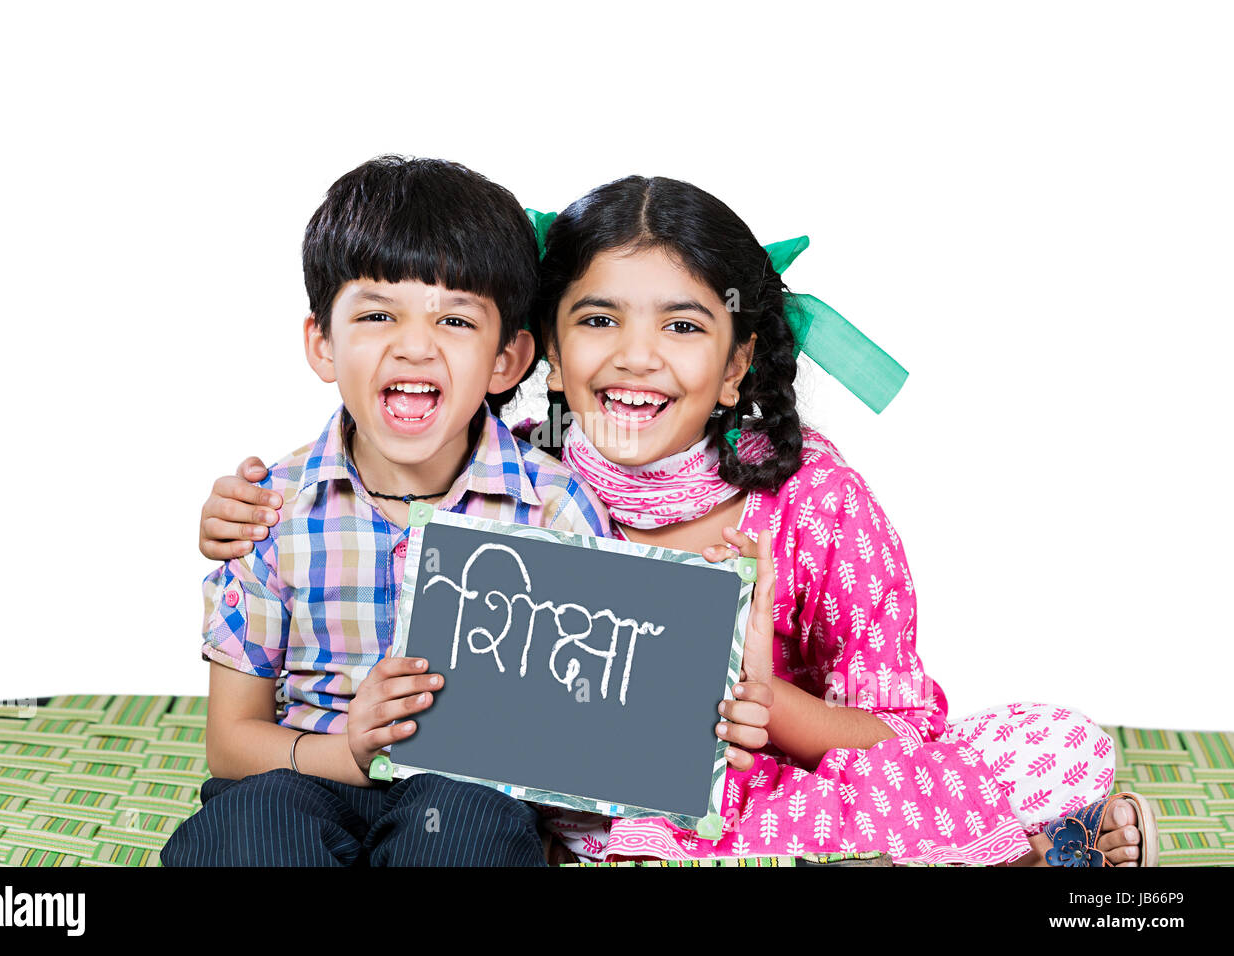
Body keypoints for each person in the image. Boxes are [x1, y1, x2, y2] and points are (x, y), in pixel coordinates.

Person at [199, 174, 1157, 867]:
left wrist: (763, 700)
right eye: (600, 319)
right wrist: (240, 509)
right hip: (561, 813)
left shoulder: (815, 502)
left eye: (685, 326)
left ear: (738, 366)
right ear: (542, 349)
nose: (637, 358)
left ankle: (1049, 849)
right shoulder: (514, 470)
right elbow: (379, 465)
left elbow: (902, 735)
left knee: (1054, 742)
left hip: (772, 789)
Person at [162, 155, 612, 867]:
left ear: (508, 359)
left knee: (464, 815)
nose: (414, 344)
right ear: (322, 343)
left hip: (465, 794)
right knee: (252, 823)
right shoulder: (268, 510)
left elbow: (596, 729)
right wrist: (350, 751)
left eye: (456, 319)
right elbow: (231, 740)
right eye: (377, 314)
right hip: (305, 771)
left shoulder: (554, 507)